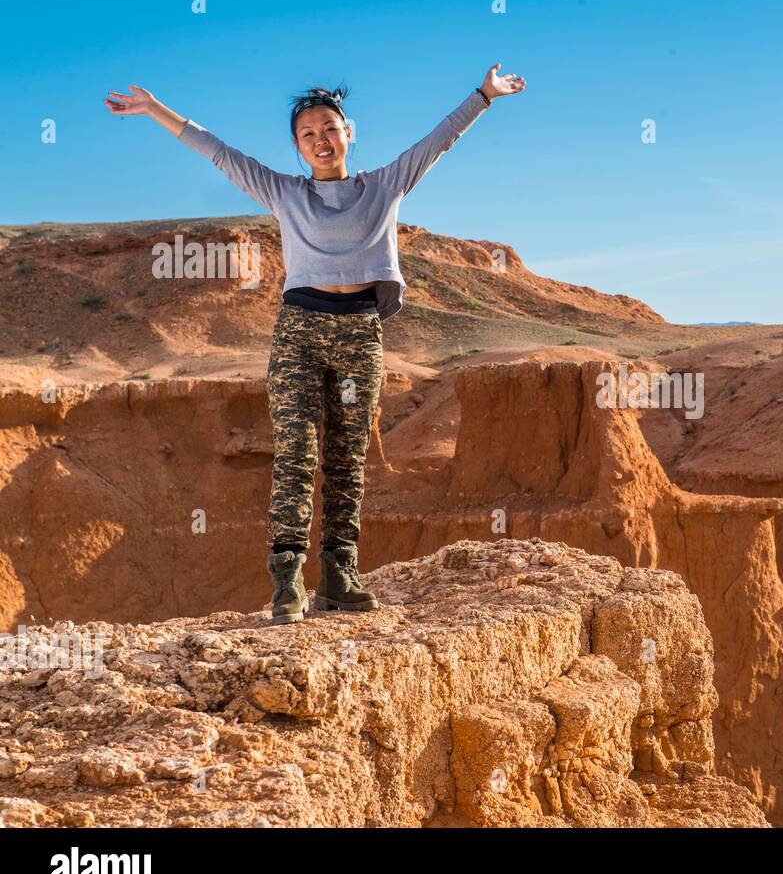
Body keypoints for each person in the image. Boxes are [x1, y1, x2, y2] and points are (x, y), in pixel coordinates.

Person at [104, 64, 526, 624]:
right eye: (308, 134)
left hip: (361, 332)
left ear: (348, 133)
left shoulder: (384, 184)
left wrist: (485, 95)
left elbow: (438, 140)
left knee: (348, 459)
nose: (320, 140)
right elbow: (218, 151)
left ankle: (339, 576)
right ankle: (287, 581)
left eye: (329, 128)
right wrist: (156, 110)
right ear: (298, 147)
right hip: (300, 331)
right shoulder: (283, 192)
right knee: (297, 456)